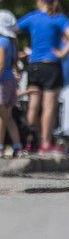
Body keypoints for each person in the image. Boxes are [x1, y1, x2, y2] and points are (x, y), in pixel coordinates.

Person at [15, 0, 69, 153]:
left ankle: (28, 141)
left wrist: (16, 53)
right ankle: (45, 143)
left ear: (41, 1)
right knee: (49, 106)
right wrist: (63, 53)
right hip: (51, 65)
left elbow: (12, 30)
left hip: (34, 65)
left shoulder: (32, 17)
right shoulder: (58, 18)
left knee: (33, 104)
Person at [0, 10, 23, 156]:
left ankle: (0, 147)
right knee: (8, 117)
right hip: (11, 82)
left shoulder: (1, 42)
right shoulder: (13, 43)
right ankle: (17, 146)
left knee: (3, 117)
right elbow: (14, 64)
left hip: (2, 82)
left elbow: (0, 64)